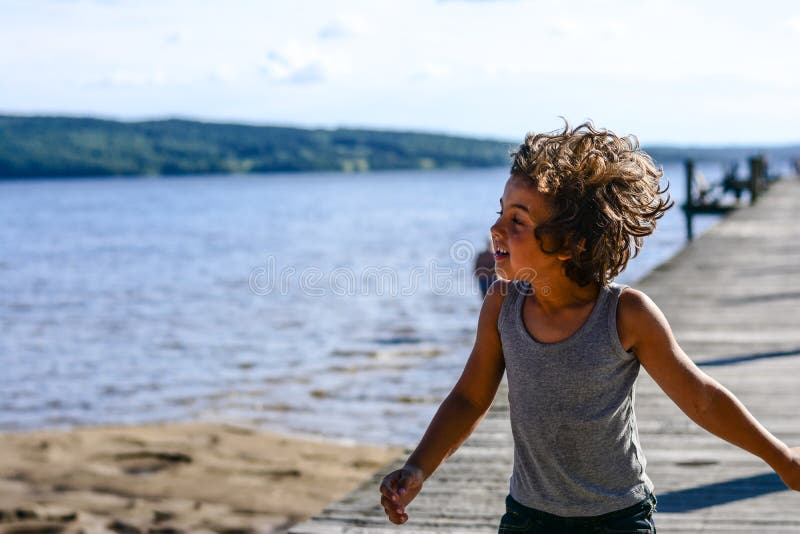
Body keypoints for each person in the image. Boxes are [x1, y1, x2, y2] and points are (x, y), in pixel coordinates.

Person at [379, 121, 800, 532]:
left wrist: (780, 457)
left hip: (618, 519)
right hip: (528, 517)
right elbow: (470, 399)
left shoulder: (625, 314)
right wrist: (417, 467)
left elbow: (701, 399)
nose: (496, 229)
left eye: (518, 220)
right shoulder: (502, 305)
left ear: (570, 243)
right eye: (500, 212)